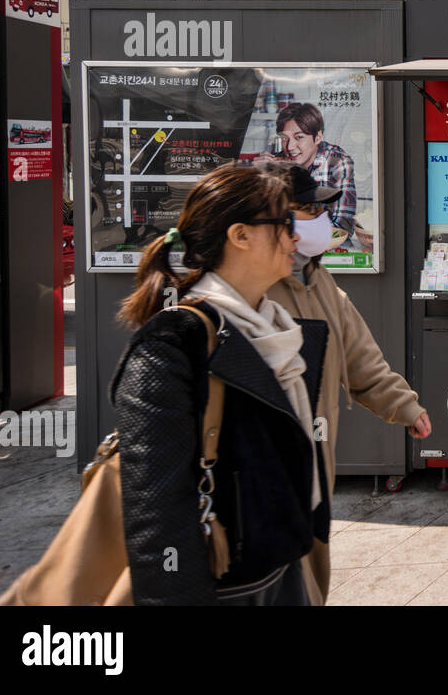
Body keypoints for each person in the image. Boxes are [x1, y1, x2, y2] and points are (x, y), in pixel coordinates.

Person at [110, 163, 328, 604]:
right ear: (240, 235)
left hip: (281, 564)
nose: (296, 237)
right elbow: (156, 511)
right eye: (284, 223)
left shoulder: (274, 327)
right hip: (224, 585)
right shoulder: (172, 342)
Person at [256, 161, 430, 606]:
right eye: (309, 208)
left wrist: (405, 406)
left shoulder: (321, 283)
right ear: (274, 219)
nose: (321, 219)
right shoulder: (247, 294)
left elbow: (360, 358)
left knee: (310, 566)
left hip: (314, 460)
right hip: (261, 467)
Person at [265, 102, 358, 235]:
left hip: (327, 247)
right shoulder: (278, 162)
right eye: (284, 138)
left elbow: (343, 225)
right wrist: (258, 176)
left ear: (318, 137)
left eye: (299, 137)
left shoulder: (337, 162)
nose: (290, 147)